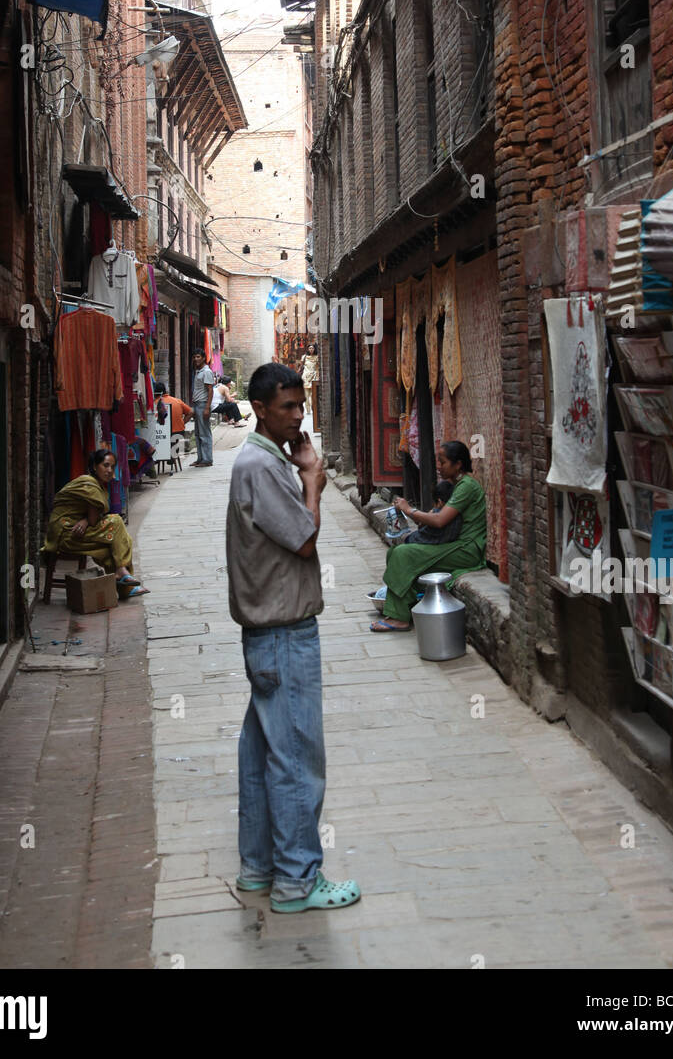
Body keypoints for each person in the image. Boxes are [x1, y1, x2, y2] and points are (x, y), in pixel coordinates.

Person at [226, 362, 361, 914]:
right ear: (259, 408)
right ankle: (298, 881)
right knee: (297, 757)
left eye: (301, 407)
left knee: (263, 755)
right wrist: (314, 481)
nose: (298, 417)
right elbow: (304, 540)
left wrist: (301, 469)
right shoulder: (262, 464)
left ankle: (260, 869)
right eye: (288, 408)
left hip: (269, 632)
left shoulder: (263, 459)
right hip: (283, 633)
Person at [370, 440, 486, 632]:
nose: (439, 467)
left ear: (458, 464)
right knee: (396, 552)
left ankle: (399, 618)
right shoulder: (457, 485)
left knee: (403, 555)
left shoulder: (467, 487)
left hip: (466, 549)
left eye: (443, 462)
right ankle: (404, 608)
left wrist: (410, 510)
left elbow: (441, 520)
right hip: (454, 544)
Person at [42, 449, 149, 598]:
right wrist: (87, 520)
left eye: (112, 466)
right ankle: (121, 570)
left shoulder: (97, 485)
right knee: (116, 521)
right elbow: (94, 520)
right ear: (94, 466)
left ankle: (125, 588)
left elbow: (91, 518)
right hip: (67, 533)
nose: (109, 470)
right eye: (105, 465)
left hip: (75, 530)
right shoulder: (89, 484)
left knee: (111, 548)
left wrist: (86, 520)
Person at [400, 478, 463, 545]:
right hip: (443, 543)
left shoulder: (437, 514)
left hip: (419, 541)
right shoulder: (458, 514)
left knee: (402, 536)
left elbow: (420, 524)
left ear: (439, 502)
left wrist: (407, 509)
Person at [190, 350, 215, 467]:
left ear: (204, 358)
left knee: (205, 433)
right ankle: (200, 458)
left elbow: (210, 390)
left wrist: (207, 408)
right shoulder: (198, 371)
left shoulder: (207, 372)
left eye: (198, 356)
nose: (196, 359)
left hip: (203, 404)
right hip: (197, 404)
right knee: (198, 433)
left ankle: (207, 459)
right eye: (194, 357)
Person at [298, 342, 319, 422]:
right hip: (306, 377)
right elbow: (301, 366)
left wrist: (317, 376)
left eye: (312, 348)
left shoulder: (317, 357)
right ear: (308, 349)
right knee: (306, 395)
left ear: (314, 349)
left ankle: (314, 409)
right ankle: (308, 410)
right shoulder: (304, 357)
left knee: (313, 395)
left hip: (314, 377)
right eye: (310, 348)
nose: (311, 349)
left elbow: (317, 368)